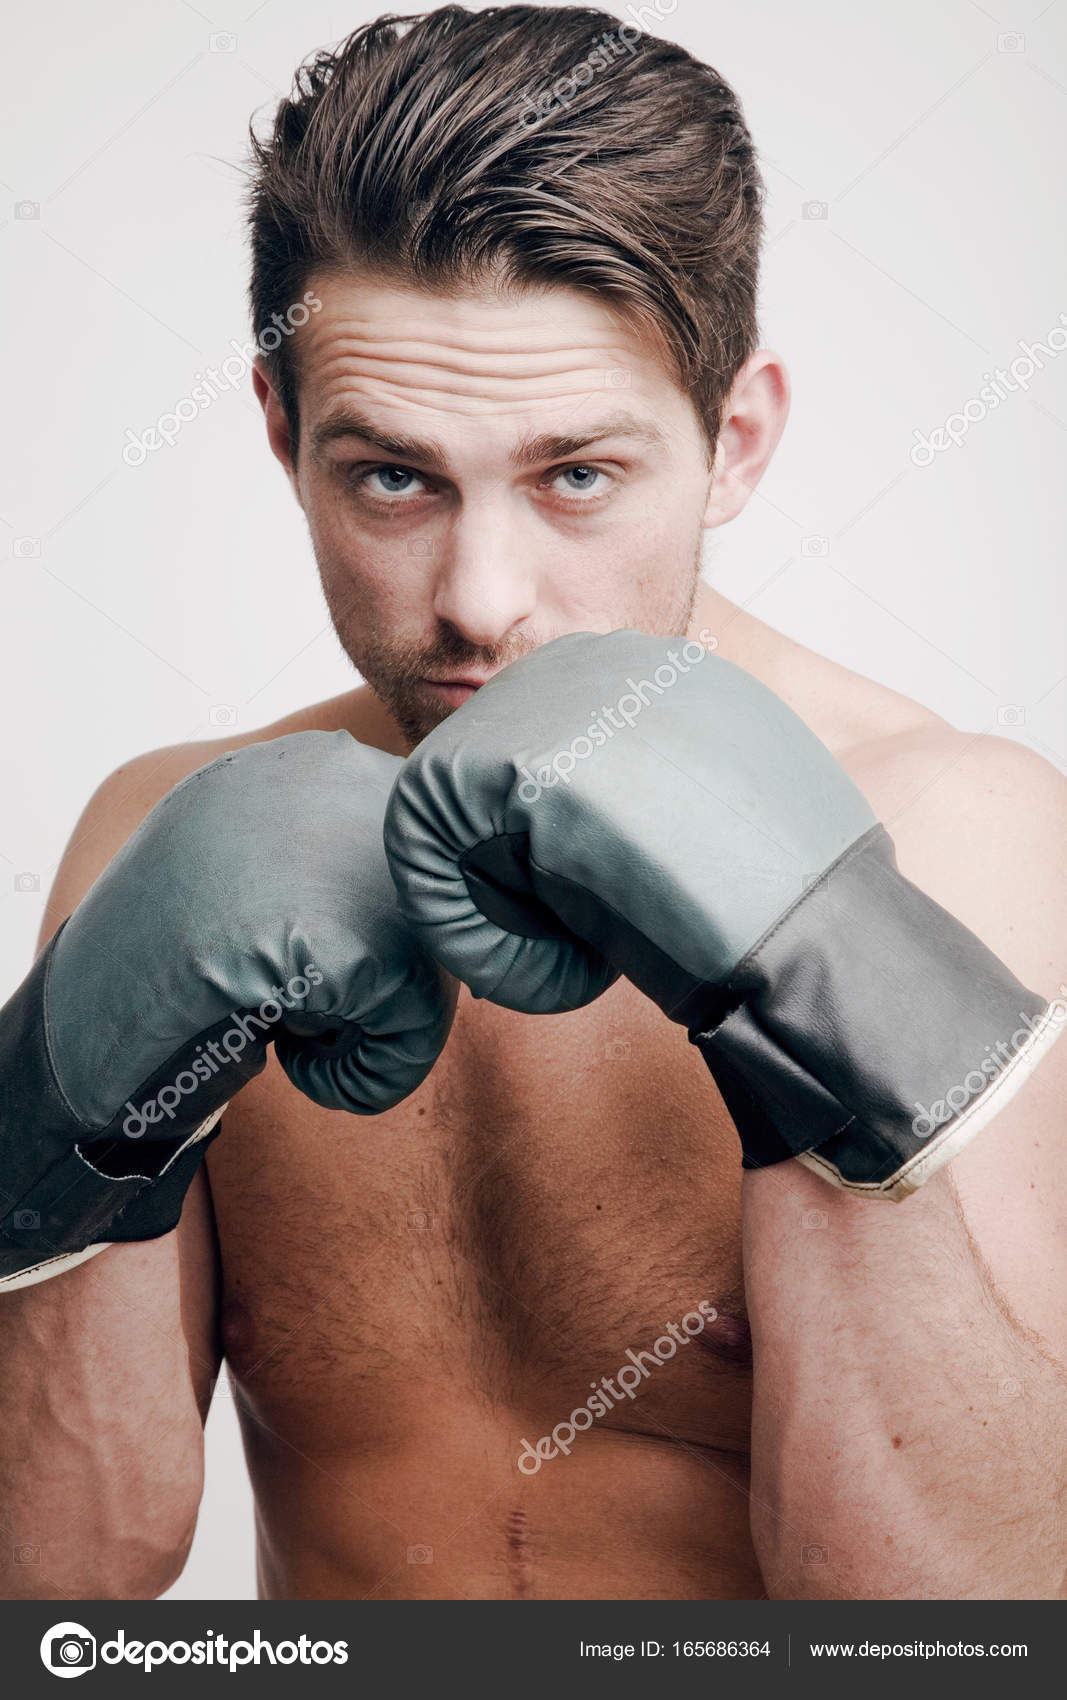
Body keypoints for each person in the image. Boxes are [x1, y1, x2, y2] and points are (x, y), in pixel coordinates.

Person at [2, 7, 1065, 1602]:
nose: (479, 600)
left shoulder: (961, 839)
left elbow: (965, 1622)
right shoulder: (164, 841)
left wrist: (832, 986)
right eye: (393, 476)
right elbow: (56, 1579)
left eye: (576, 477)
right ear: (282, 429)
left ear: (735, 442)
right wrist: (43, 1127)